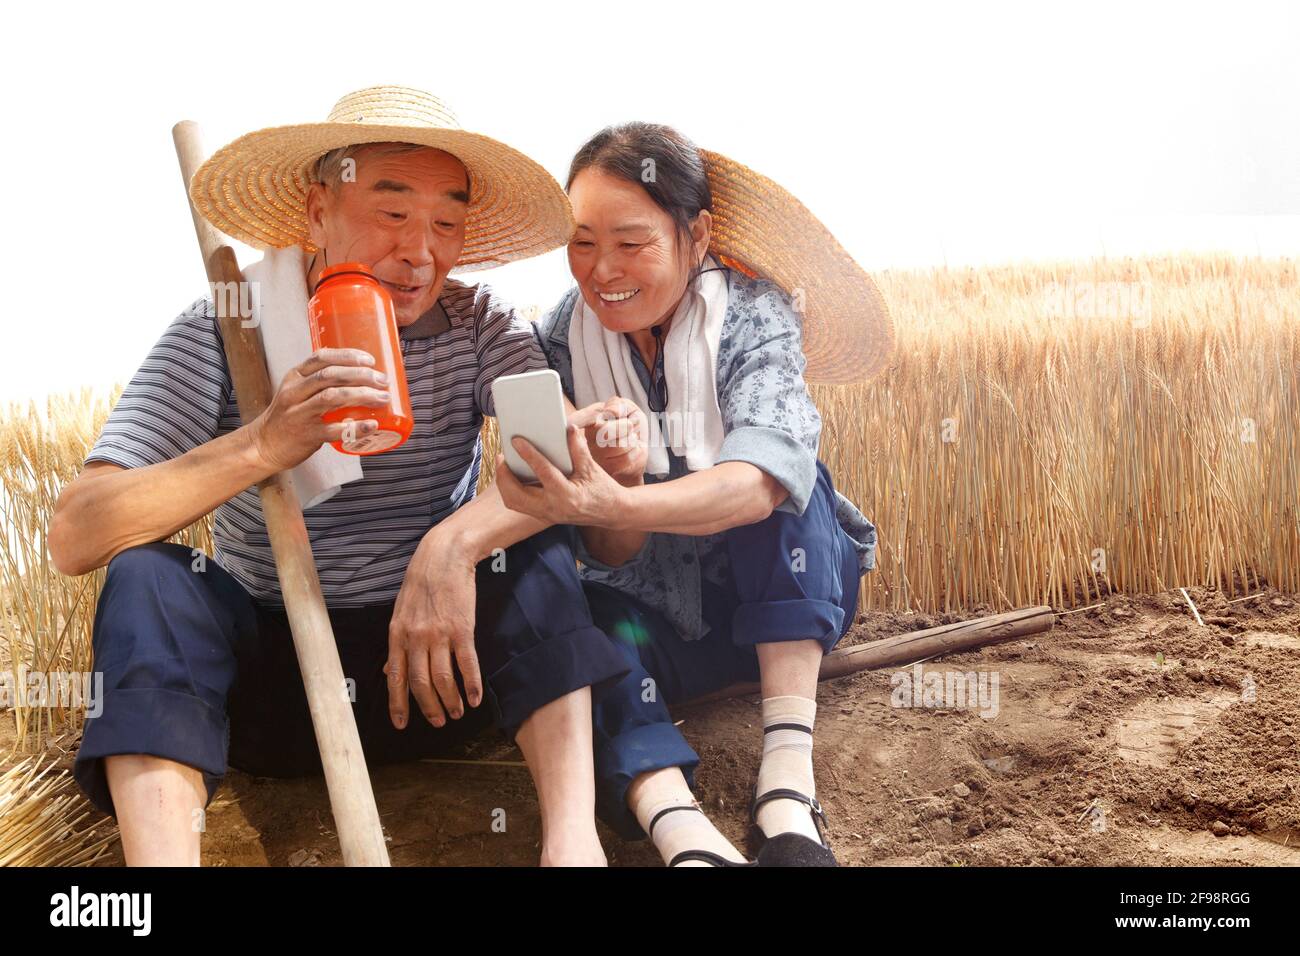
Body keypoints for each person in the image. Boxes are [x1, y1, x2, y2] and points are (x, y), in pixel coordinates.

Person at [50, 85, 637, 866]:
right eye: (391, 215)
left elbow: (555, 463)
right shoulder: (230, 327)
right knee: (151, 575)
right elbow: (76, 532)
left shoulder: (481, 325)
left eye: (446, 223)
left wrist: (452, 548)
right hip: (277, 689)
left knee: (530, 556)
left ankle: (573, 846)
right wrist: (263, 442)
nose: (419, 251)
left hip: (439, 671)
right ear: (317, 210)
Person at [488, 121, 895, 865]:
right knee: (577, 613)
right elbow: (605, 548)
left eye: (631, 241)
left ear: (696, 235)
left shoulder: (753, 314)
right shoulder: (559, 342)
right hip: (663, 629)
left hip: (781, 606)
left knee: (789, 487)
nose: (601, 268)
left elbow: (757, 484)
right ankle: (680, 829)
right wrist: (612, 491)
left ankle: (786, 788)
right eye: (582, 242)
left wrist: (618, 501)